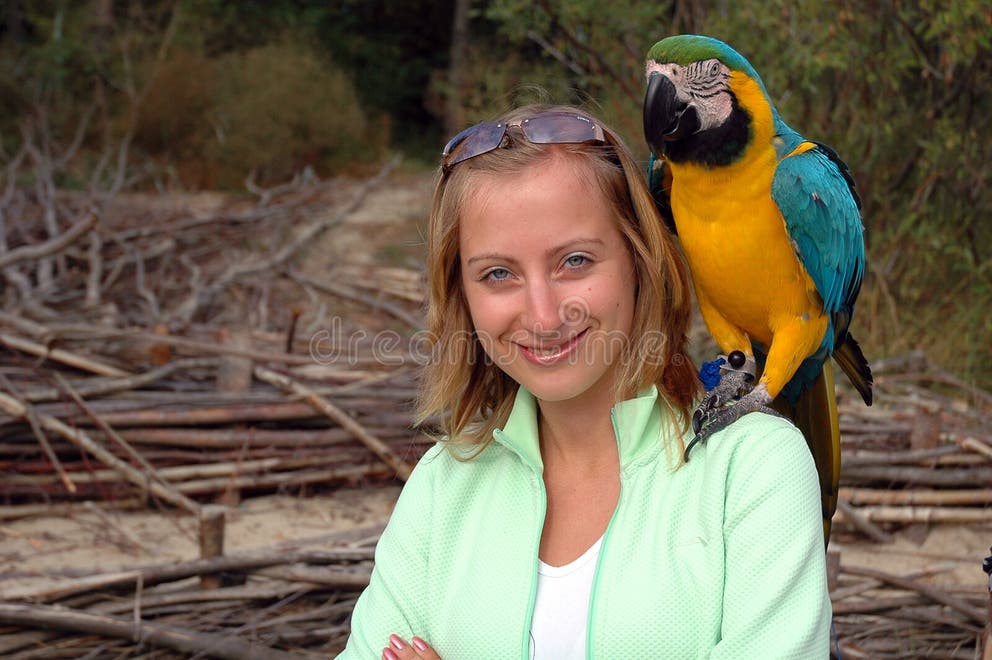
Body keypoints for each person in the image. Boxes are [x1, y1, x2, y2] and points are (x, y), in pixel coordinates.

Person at [338, 104, 830, 659]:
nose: (544, 316)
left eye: (574, 261)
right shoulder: (440, 488)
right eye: (498, 274)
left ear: (640, 260)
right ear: (462, 295)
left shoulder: (754, 470)